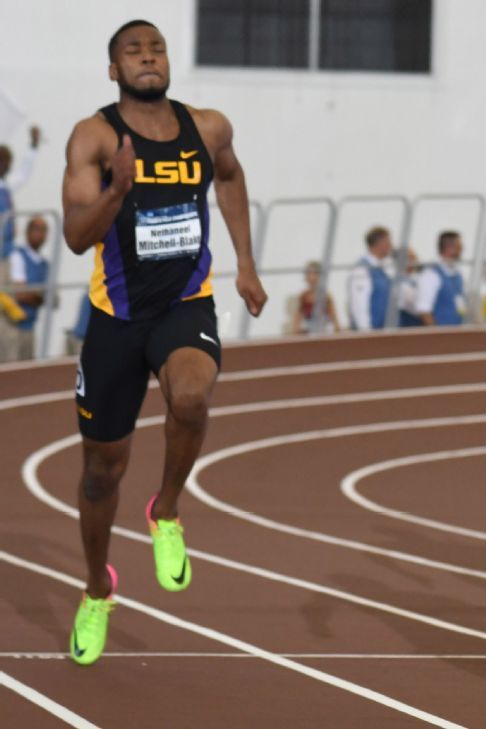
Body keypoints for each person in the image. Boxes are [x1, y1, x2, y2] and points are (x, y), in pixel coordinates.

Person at [61, 20, 267, 666]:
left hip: (184, 303)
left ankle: (167, 509)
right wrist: (118, 190)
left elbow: (229, 178)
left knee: (192, 398)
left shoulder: (207, 128)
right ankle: (97, 587)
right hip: (117, 318)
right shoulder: (93, 137)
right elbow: (73, 234)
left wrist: (246, 262)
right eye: (133, 51)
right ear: (113, 69)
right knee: (101, 473)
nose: (148, 58)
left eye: (156, 49)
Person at [1, 216, 51, 361]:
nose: (40, 234)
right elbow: (21, 294)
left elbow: (51, 298)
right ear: (27, 232)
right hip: (12, 328)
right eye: (36, 229)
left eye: (44, 230)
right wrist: (39, 297)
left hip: (30, 327)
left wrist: (37, 297)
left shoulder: (44, 264)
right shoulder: (17, 256)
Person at [0, 125, 41, 265]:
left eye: (7, 162)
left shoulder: (7, 186)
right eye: (1, 161)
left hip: (6, 249)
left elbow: (23, 174)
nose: (4, 165)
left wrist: (33, 146)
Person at [412, 230, 466, 326]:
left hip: (457, 334)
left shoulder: (458, 274)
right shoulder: (431, 275)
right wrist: (437, 337)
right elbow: (424, 311)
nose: (461, 250)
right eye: (459, 247)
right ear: (449, 248)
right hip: (442, 336)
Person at [347, 225, 393, 331]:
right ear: (380, 243)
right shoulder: (361, 270)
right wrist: (367, 335)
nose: (391, 246)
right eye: (388, 242)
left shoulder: (382, 270)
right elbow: (359, 306)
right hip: (370, 333)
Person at [289, 261, 339, 335]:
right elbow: (296, 323)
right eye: (308, 274)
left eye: (315, 274)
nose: (311, 277)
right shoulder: (303, 297)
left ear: (320, 276)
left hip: (324, 334)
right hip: (308, 335)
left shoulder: (326, 297)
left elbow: (335, 321)